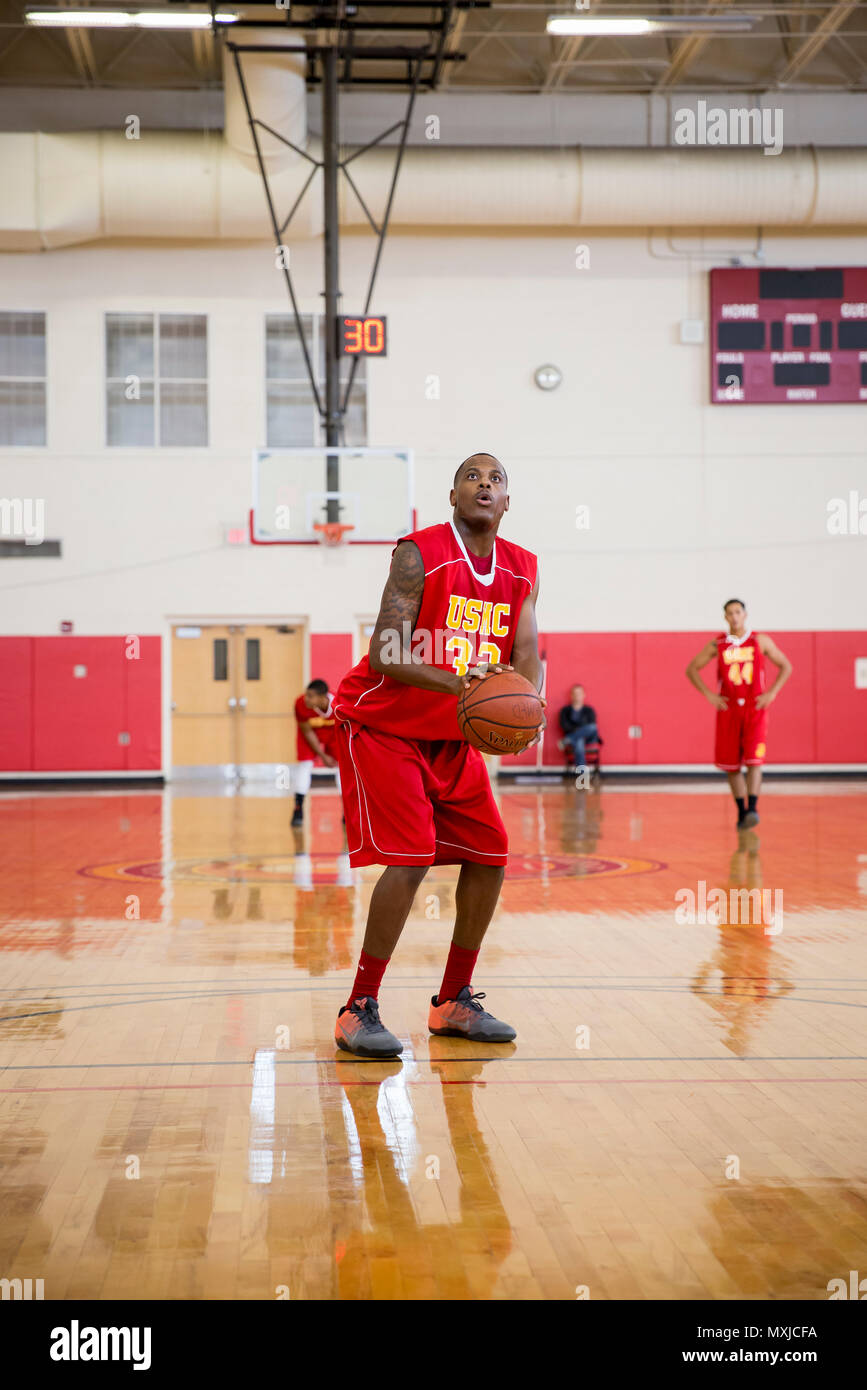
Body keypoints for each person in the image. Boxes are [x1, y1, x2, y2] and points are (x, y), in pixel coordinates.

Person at [331, 453, 544, 1058]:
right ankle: (359, 1008)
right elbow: (385, 654)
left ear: (507, 501)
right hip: (383, 724)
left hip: (452, 735)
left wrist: (527, 705)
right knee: (411, 855)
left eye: (497, 478)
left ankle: (453, 1001)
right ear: (453, 495)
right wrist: (464, 685)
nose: (484, 485)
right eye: (472, 477)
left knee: (491, 852)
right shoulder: (418, 552)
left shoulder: (523, 569)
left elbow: (526, 650)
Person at [686, 599, 792, 830]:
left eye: (737, 612)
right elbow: (692, 668)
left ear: (745, 614)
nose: (734, 617)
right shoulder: (718, 644)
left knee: (755, 761)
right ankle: (742, 812)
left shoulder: (759, 640)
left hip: (754, 708)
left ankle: (753, 807)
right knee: (731, 765)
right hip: (729, 709)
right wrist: (709, 695)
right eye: (730, 613)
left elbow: (786, 666)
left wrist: (771, 693)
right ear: (725, 617)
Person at [291, 678, 339, 827]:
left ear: (323, 697)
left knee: (342, 767)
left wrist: (333, 756)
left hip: (334, 733)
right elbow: (307, 732)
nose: (306, 699)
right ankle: (298, 808)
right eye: (306, 694)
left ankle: (348, 813)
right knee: (305, 765)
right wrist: (323, 755)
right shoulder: (300, 704)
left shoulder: (339, 702)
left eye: (310, 696)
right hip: (311, 733)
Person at [558, 684, 599, 769]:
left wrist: (577, 731)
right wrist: (580, 732)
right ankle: (582, 776)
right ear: (571, 695)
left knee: (593, 727)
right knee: (579, 741)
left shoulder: (589, 710)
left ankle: (567, 740)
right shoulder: (565, 711)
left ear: (584, 695)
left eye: (579, 693)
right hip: (576, 738)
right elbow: (564, 725)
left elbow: (591, 726)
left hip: (589, 738)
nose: (577, 696)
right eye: (575, 694)